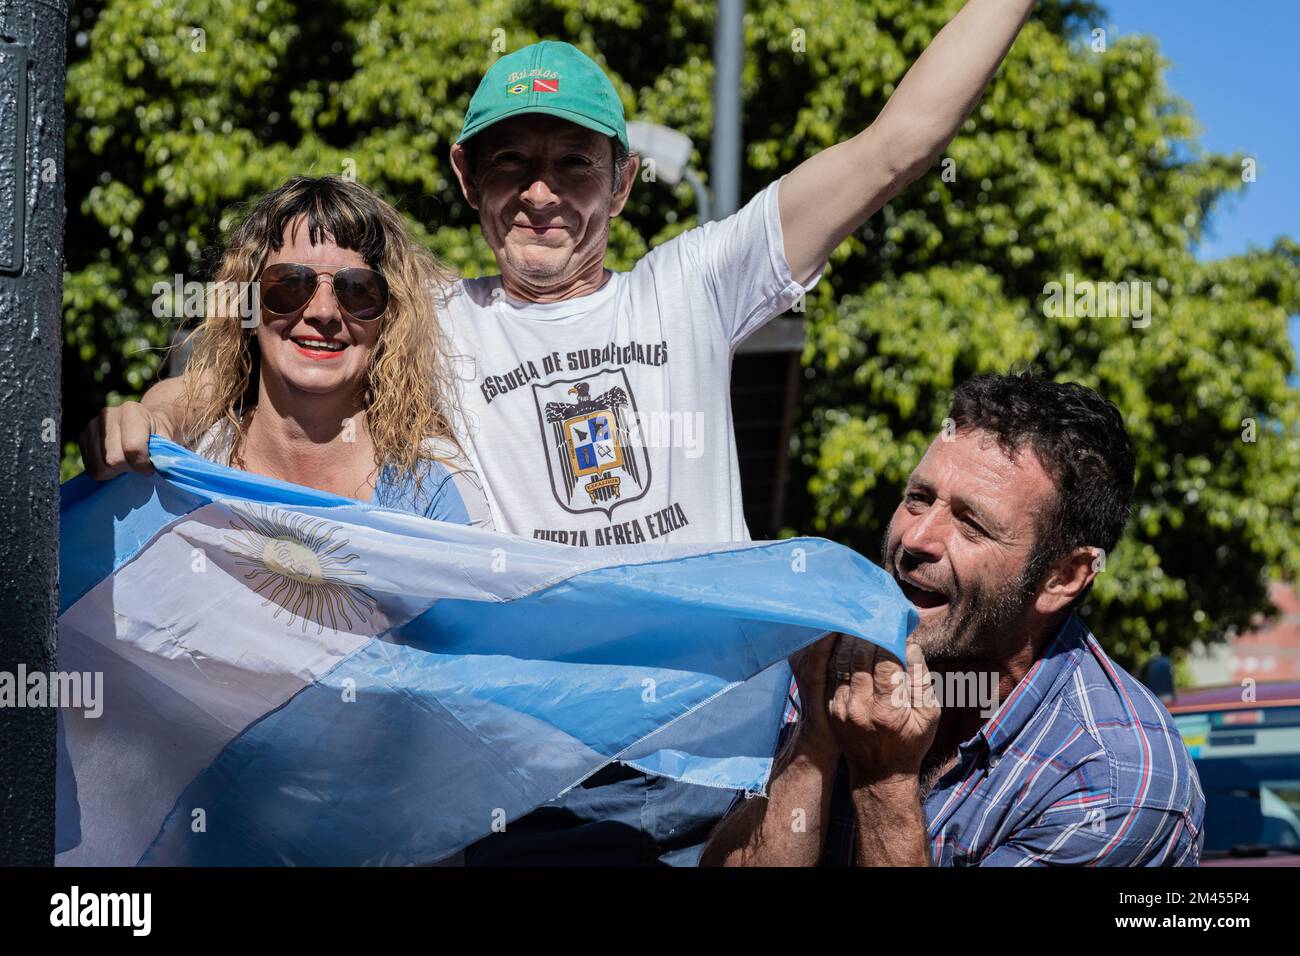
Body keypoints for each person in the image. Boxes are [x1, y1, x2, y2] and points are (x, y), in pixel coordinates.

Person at [81, 2, 1040, 864]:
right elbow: (249, 368)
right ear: (467, 177)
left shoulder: (694, 287)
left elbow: (899, 143)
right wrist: (156, 414)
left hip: (718, 779)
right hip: (523, 784)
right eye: (511, 162)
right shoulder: (425, 325)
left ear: (620, 181)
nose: (541, 192)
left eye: (573, 162)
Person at [701, 372, 1205, 866]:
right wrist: (815, 736)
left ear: (1062, 578)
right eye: (918, 499)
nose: (917, 540)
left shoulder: (1115, 785)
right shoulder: (847, 657)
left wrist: (885, 784)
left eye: (972, 524)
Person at [134, 174, 491, 525]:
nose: (323, 312)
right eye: (290, 284)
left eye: (356, 290)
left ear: (388, 316)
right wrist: (153, 420)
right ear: (247, 304)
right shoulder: (185, 465)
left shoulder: (433, 493)